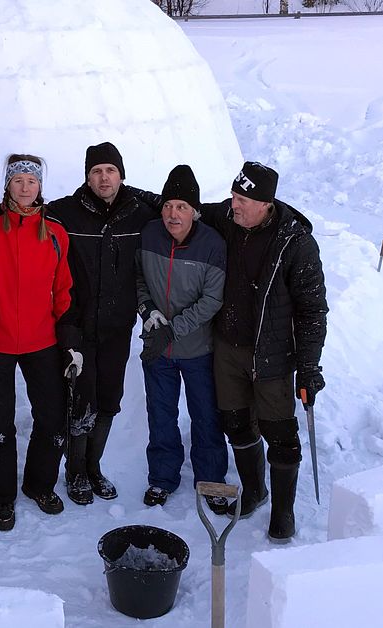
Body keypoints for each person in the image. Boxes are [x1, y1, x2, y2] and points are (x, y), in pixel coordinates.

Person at [201, 161, 329, 543]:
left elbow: (312, 310)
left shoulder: (296, 243)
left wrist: (309, 367)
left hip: (272, 355)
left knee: (280, 434)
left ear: (264, 203)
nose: (233, 205)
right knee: (236, 422)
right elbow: (184, 205)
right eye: (233, 196)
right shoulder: (227, 219)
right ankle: (255, 492)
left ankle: (283, 512)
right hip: (228, 348)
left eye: (241, 200)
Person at [46, 141, 159, 505]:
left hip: (117, 327)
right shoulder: (65, 212)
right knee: (82, 400)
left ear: (122, 175)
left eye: (111, 170)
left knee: (109, 399)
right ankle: (75, 471)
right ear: (87, 177)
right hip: (79, 326)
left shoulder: (140, 214)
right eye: (96, 171)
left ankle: (93, 467)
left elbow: (181, 207)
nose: (104, 177)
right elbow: (20, 212)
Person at [0, 154, 74, 531]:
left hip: (41, 339)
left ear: (40, 187)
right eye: (18, 180)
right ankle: (2, 497)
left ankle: (40, 484)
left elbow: (63, 287)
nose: (25, 187)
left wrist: (68, 334)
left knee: (52, 417)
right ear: (7, 185)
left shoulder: (55, 232)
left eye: (31, 181)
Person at [134, 165, 229, 514]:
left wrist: (173, 329)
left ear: (195, 212)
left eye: (182, 207)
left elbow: (212, 300)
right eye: (168, 206)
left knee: (206, 418)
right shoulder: (149, 235)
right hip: (157, 350)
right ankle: (162, 478)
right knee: (160, 416)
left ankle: (212, 481)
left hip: (199, 350)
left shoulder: (212, 245)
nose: (173, 214)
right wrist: (148, 312)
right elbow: (139, 280)